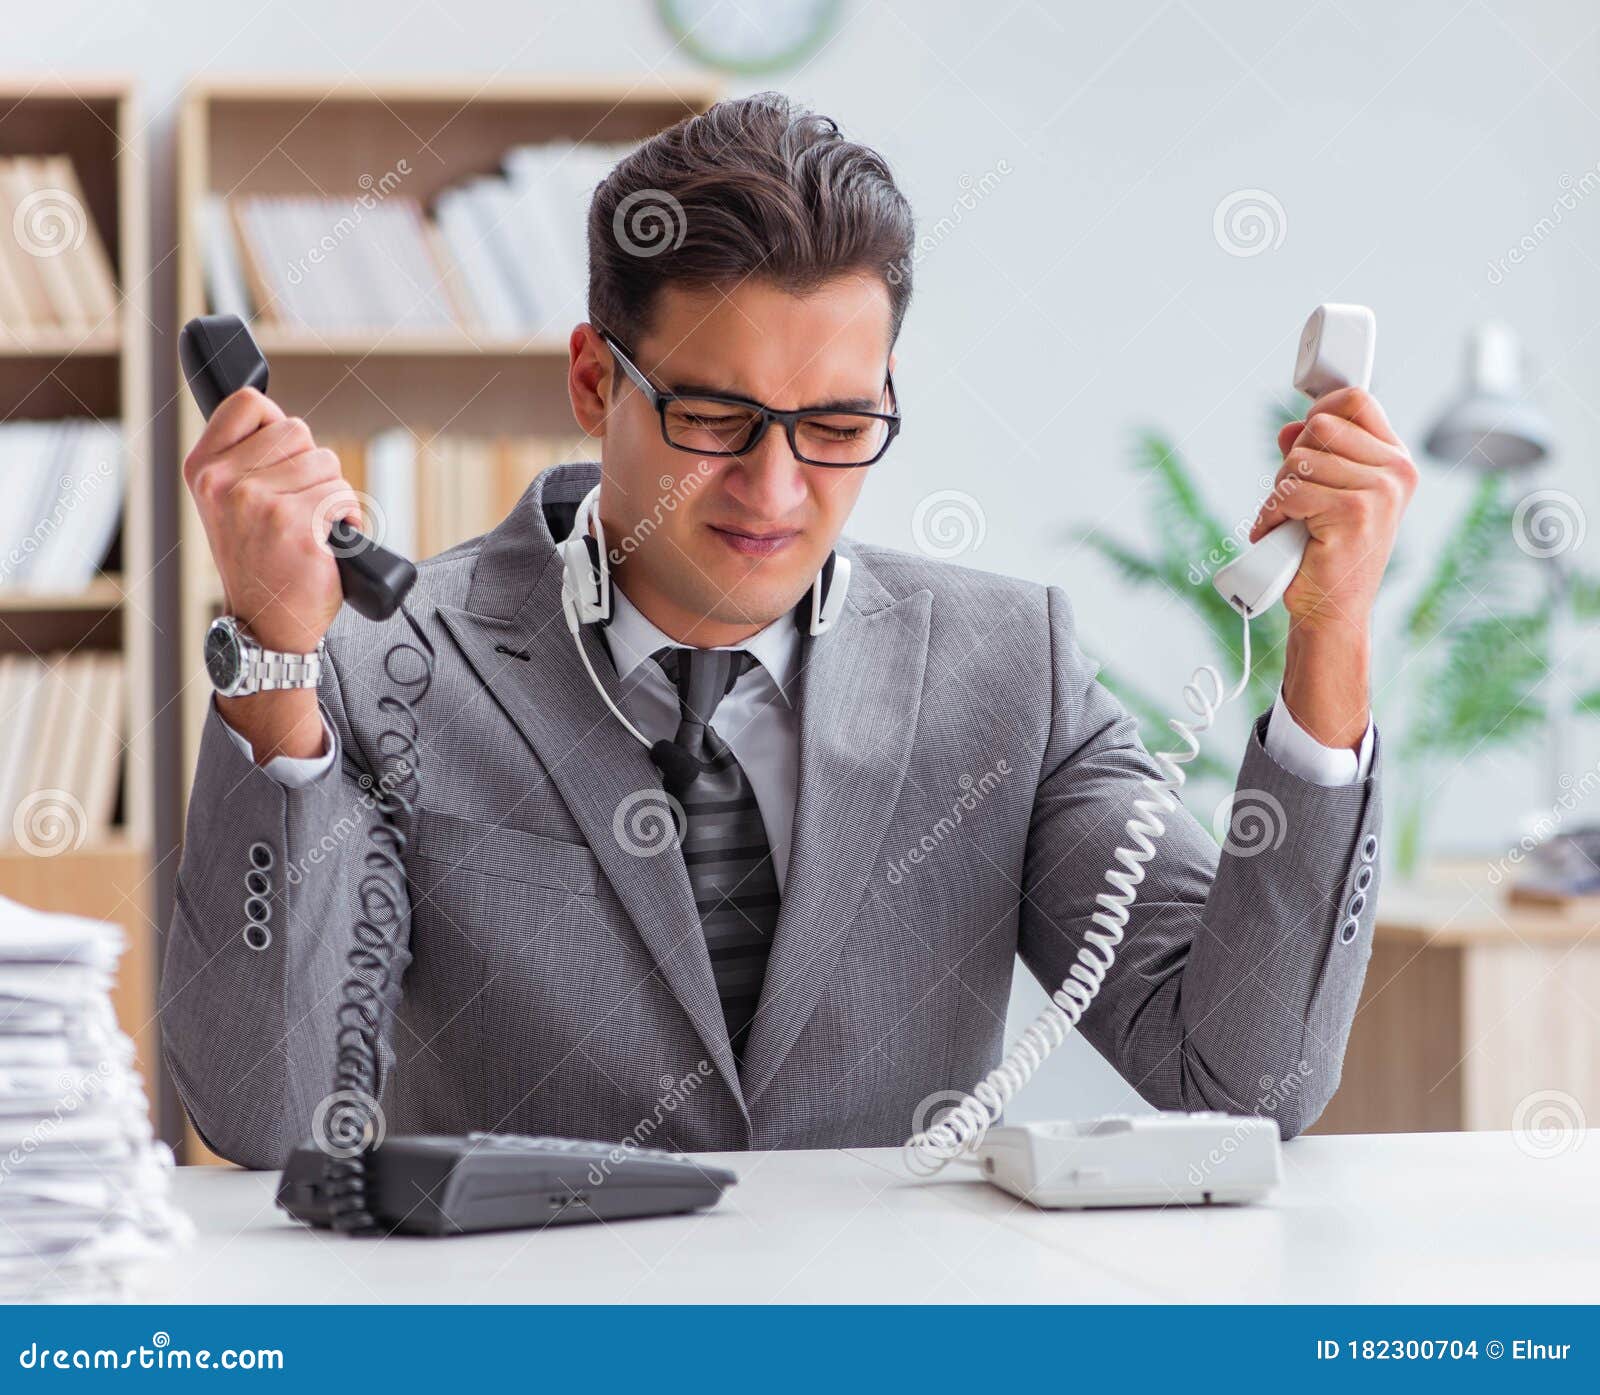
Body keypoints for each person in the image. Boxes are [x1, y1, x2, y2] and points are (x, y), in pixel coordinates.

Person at [161, 93, 1414, 1169]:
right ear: (596, 380)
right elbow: (267, 1115)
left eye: (833, 425)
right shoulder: (382, 665)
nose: (772, 492)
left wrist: (1329, 639)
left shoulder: (1005, 673)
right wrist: (275, 653)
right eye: (713, 418)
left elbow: (1241, 1082)